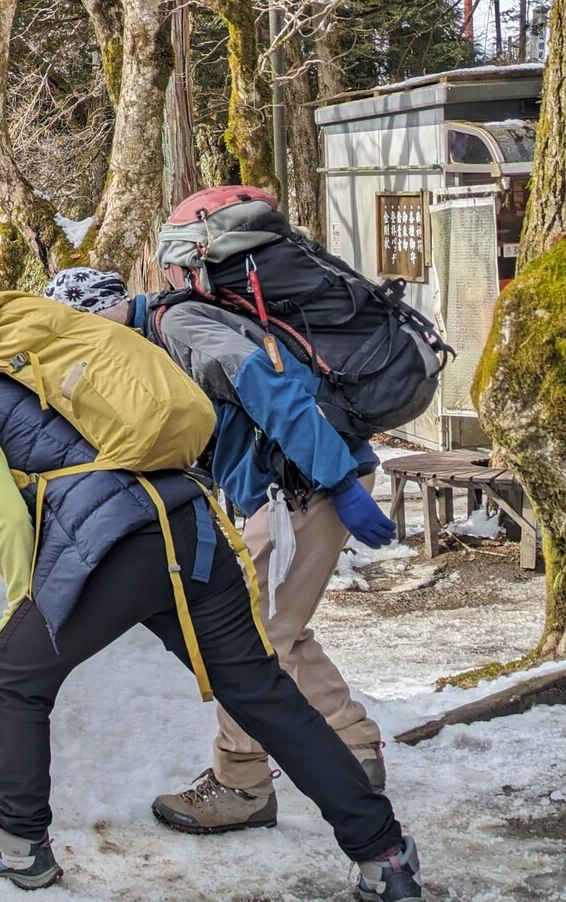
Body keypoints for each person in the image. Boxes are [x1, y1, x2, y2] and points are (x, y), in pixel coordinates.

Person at [0, 306, 421, 900]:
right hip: (189, 526)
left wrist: (20, 607)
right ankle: (383, 853)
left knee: (14, 677)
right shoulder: (32, 383)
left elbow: (0, 514)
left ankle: (20, 847)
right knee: (262, 695)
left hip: (116, 548)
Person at [43, 265, 397, 835]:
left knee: (244, 639)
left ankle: (242, 783)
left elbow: (266, 383)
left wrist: (337, 481)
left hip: (306, 490)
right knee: (278, 625)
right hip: (291, 491)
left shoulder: (178, 325)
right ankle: (352, 741)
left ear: (95, 310)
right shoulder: (158, 335)